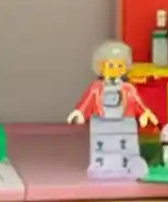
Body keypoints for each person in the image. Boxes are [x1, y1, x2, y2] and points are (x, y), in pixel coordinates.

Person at [67, 39, 157, 179]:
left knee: (127, 145)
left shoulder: (128, 88)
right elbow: (88, 100)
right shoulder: (97, 88)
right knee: (103, 146)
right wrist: (80, 112)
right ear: (101, 67)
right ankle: (101, 166)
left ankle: (130, 164)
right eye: (111, 65)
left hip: (125, 122)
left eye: (119, 65)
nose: (115, 69)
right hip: (102, 124)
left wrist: (145, 113)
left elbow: (137, 102)